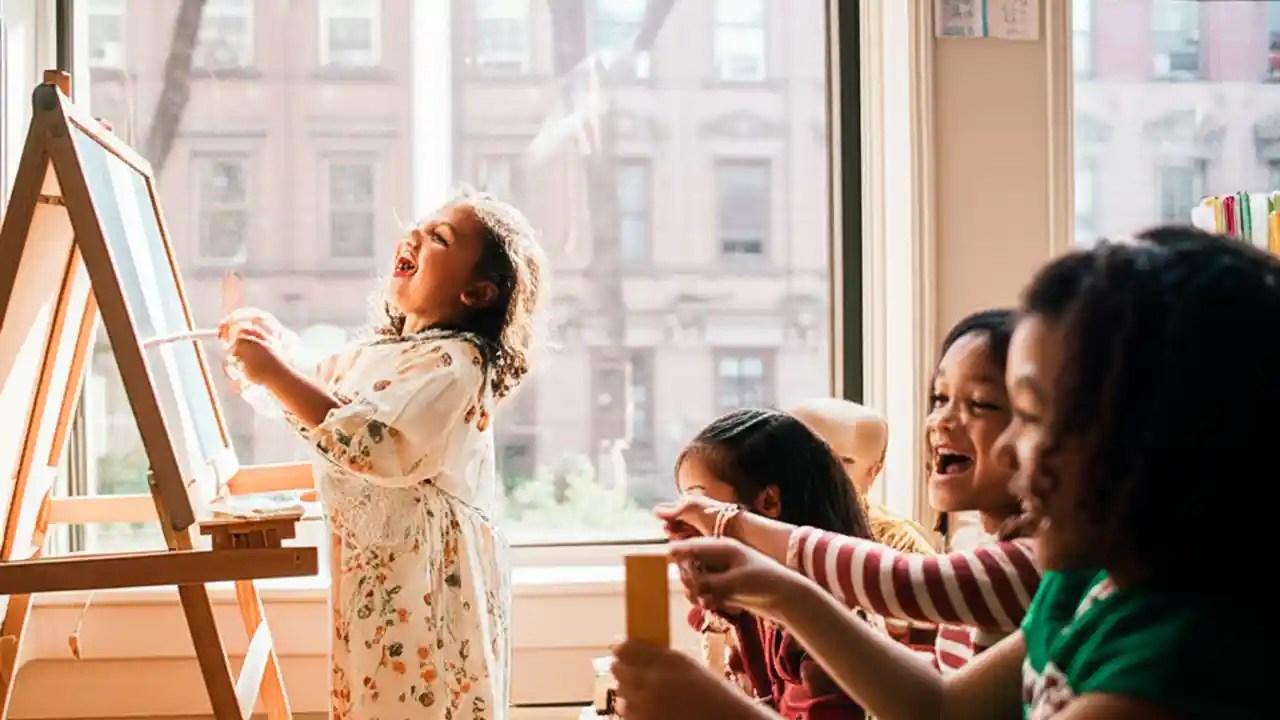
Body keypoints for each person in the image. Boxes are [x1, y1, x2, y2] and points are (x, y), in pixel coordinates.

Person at [620, 227, 1272, 719]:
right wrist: (777, 591)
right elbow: (940, 709)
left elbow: (911, 589)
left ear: (1163, 440)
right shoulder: (1082, 586)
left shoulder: (1174, 668)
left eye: (1037, 416)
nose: (1014, 449)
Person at [221, 188, 546, 719]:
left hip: (427, 588)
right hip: (380, 580)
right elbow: (324, 395)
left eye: (439, 237)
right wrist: (274, 352)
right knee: (377, 698)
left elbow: (376, 443)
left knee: (420, 703)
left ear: (477, 293)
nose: (415, 235)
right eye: (418, 227)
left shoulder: (458, 361)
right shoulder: (381, 353)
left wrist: (276, 374)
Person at [660, 310, 1038, 673]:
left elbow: (901, 581)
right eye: (939, 399)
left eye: (980, 404)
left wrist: (732, 526)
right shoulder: (977, 544)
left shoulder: (1034, 565)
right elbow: (939, 689)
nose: (941, 420)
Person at [676, 408, 881, 719]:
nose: (683, 519)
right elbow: (768, 700)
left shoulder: (818, 626)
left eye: (699, 502)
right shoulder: (761, 603)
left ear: (769, 501)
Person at [788, 398, 939, 658]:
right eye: (799, 457)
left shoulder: (902, 551)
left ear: (873, 472)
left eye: (839, 462)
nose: (812, 473)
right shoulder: (757, 524)